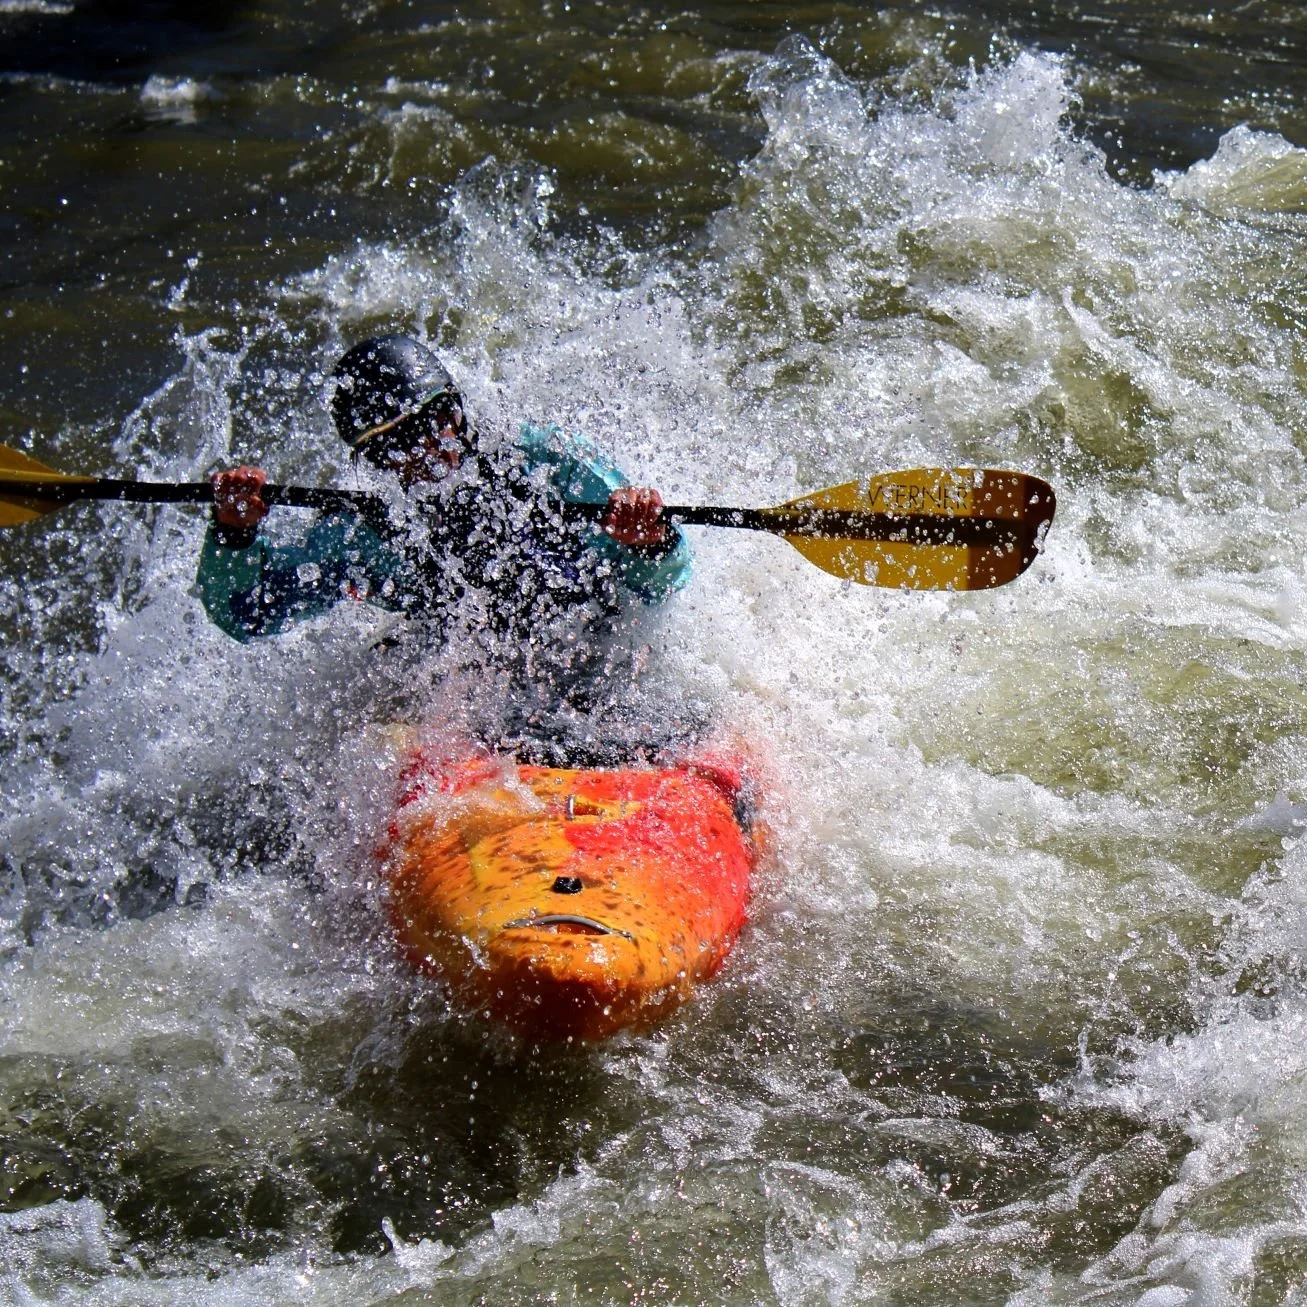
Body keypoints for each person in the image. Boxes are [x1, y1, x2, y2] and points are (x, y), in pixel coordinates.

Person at [195, 336, 692, 732]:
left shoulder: (544, 462)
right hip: (471, 682)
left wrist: (651, 543)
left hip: (597, 651)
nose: (428, 449)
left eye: (437, 420)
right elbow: (251, 614)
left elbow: (665, 583)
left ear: (457, 409)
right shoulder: (362, 533)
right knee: (387, 674)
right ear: (370, 462)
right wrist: (234, 534)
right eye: (397, 444)